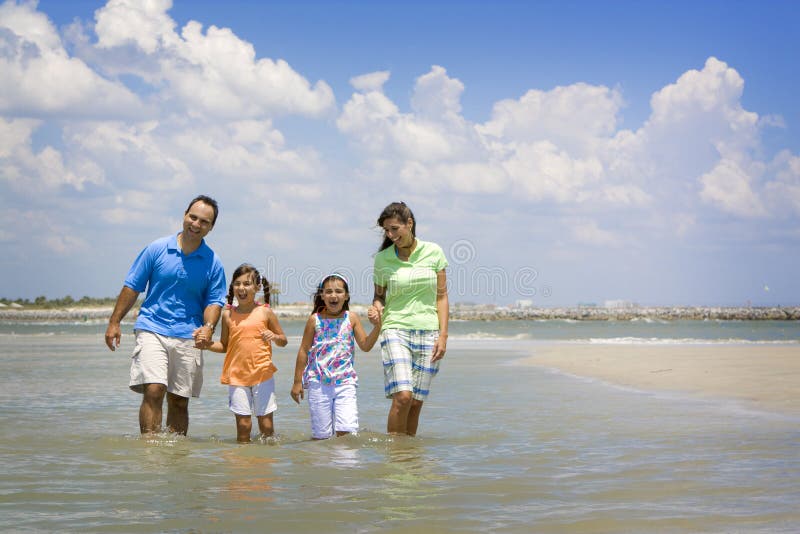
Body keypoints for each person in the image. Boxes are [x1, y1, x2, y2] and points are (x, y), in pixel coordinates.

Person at [104, 195, 227, 436]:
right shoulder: (157, 248)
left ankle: (175, 455)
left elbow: (214, 301)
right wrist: (114, 321)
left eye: (204, 221)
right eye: (193, 217)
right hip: (152, 327)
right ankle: (151, 450)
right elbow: (132, 286)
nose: (196, 224)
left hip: (188, 334)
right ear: (184, 215)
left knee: (179, 400)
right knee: (154, 389)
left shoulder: (213, 262)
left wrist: (209, 326)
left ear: (211, 227)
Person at [369, 201, 449, 436]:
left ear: (409, 224)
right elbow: (379, 296)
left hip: (429, 332)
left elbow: (442, 297)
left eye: (395, 228)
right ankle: (394, 454)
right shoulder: (383, 259)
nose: (391, 234)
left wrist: (443, 336)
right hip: (396, 329)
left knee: (415, 403)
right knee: (403, 397)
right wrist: (376, 308)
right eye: (387, 230)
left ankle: (407, 459)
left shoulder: (434, 252)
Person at [291, 274, 381, 439]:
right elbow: (304, 350)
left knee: (347, 432)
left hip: (345, 382)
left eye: (339, 291)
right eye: (329, 292)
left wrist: (377, 326)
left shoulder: (351, 318)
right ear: (322, 296)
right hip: (318, 383)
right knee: (321, 436)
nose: (334, 295)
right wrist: (297, 382)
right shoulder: (314, 320)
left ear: (346, 296)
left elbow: (366, 346)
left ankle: (344, 464)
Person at [205, 264, 288, 443]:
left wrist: (274, 336)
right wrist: (207, 345)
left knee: (266, 425)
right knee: (243, 426)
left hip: (262, 374)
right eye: (237, 284)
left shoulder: (265, 312)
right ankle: (243, 461)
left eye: (247, 284)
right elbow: (224, 346)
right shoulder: (227, 315)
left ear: (257, 287)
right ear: (232, 287)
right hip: (237, 376)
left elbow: (283, 340)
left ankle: (265, 461)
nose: (241, 288)